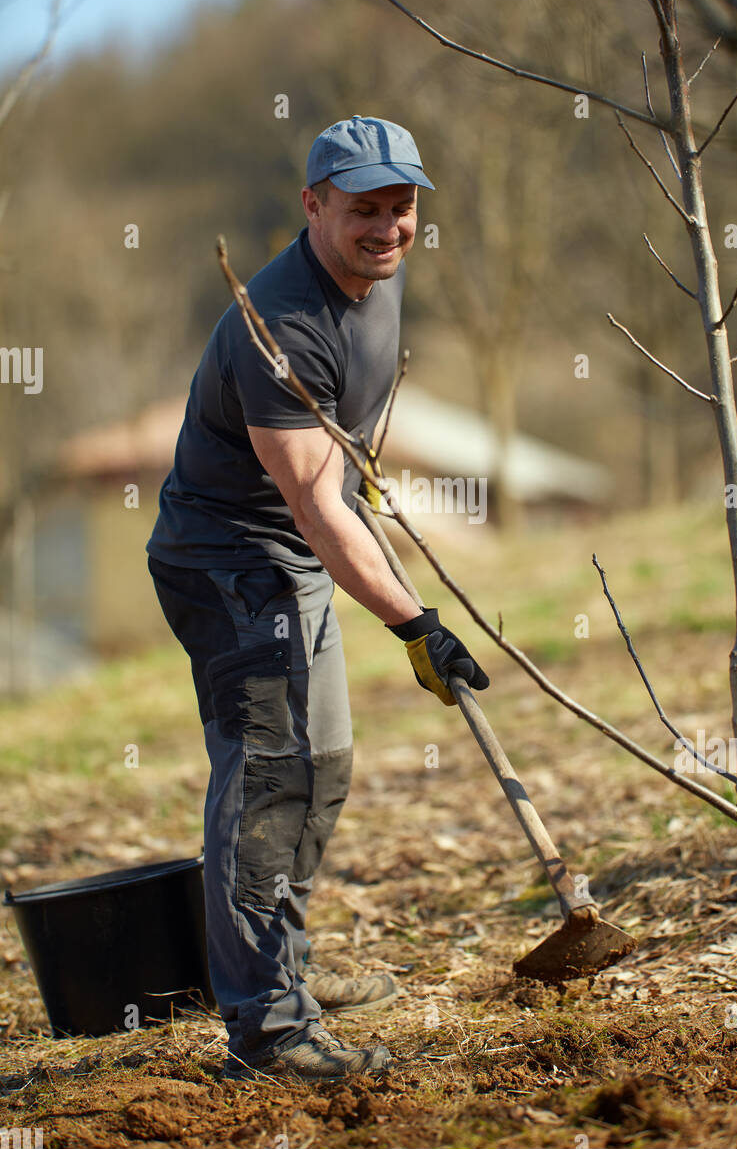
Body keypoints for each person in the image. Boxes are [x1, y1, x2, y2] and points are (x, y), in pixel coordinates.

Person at [146, 116, 489, 1083]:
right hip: (230, 561)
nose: (386, 227)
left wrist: (358, 470)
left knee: (322, 764)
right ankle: (268, 1033)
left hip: (292, 550)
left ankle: (278, 969)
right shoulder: (282, 320)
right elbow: (307, 500)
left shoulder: (376, 273)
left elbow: (335, 461)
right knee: (269, 779)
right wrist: (415, 623)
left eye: (401, 206)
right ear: (313, 205)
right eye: (363, 208)